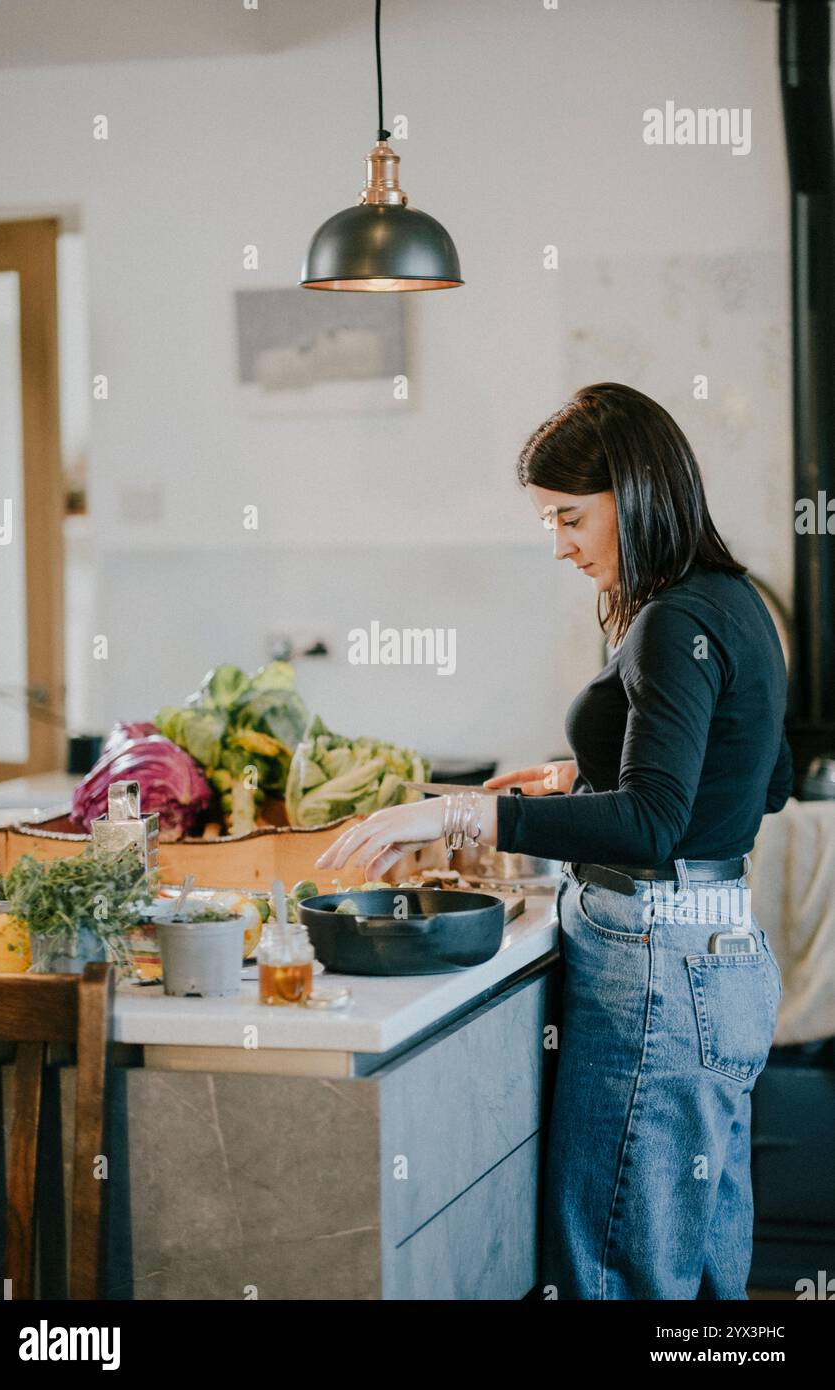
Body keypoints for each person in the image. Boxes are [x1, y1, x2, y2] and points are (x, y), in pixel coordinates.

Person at [315, 381, 792, 1300]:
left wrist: (454, 812)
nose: (562, 545)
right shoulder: (734, 604)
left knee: (615, 1268)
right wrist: (581, 780)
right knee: (700, 1280)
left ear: (636, 492)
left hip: (656, 960)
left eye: (571, 518)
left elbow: (653, 822)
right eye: (550, 523)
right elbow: (751, 788)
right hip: (721, 956)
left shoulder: (672, 622)